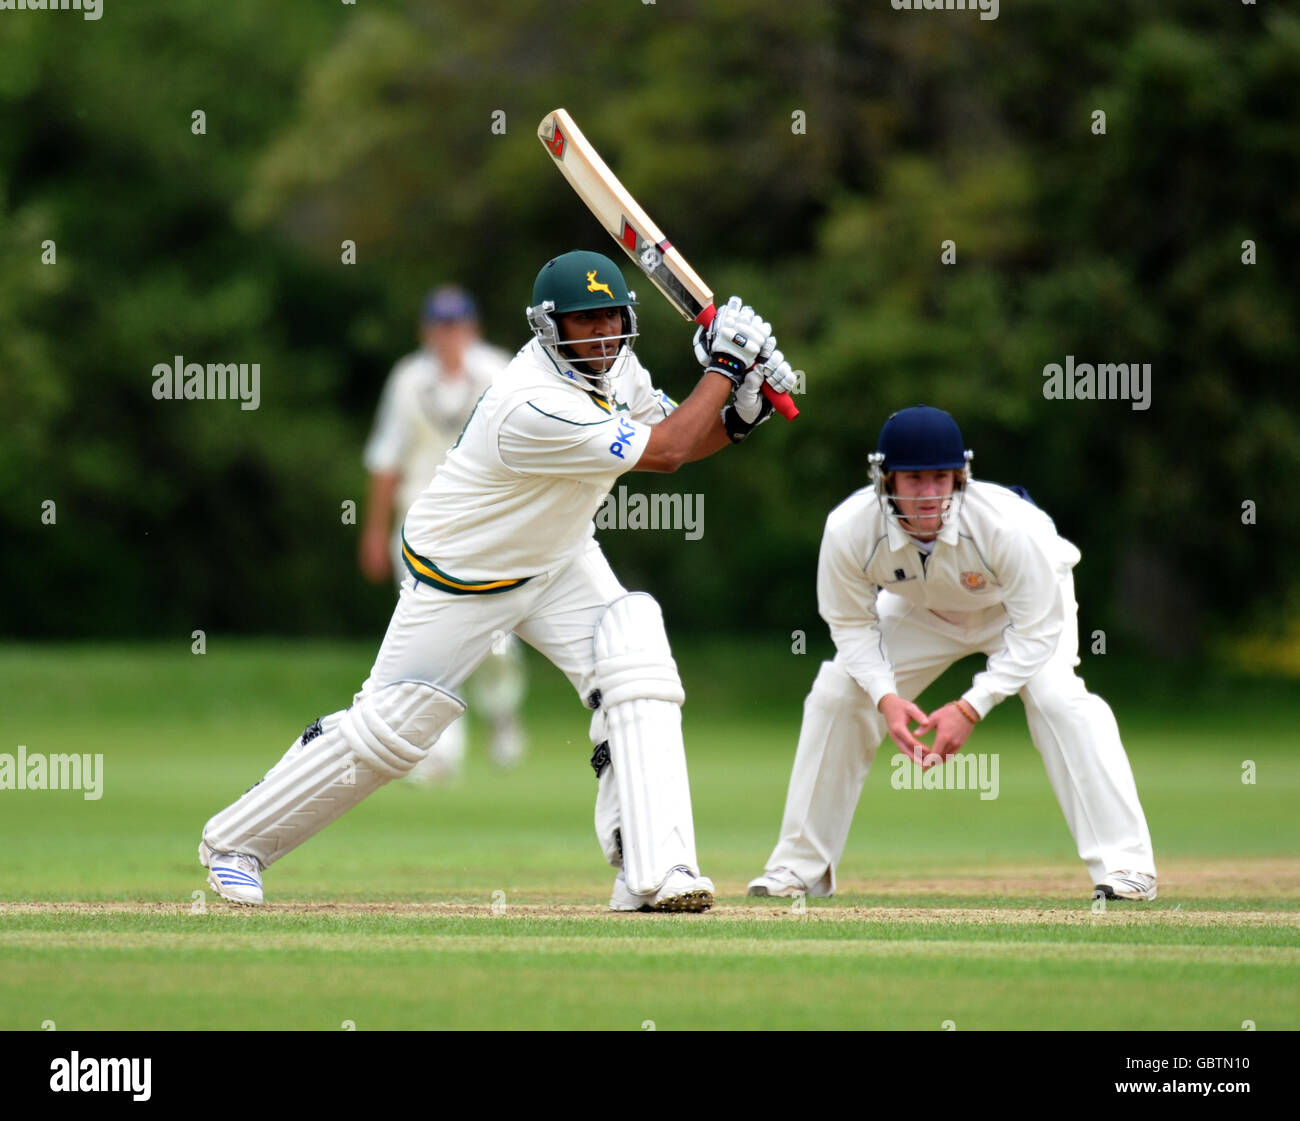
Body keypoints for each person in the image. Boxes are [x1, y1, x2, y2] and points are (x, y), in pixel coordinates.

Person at [200, 249, 796, 912]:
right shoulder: (529, 403)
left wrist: (741, 411)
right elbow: (667, 452)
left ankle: (657, 868)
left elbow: (676, 430)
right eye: (583, 322)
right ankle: (236, 843)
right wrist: (725, 367)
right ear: (550, 329)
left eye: (609, 318)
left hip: (561, 557)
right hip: (462, 577)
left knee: (636, 659)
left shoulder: (618, 363)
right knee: (393, 729)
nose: (600, 333)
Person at [748, 405, 1158, 903]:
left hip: (1019, 611)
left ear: (959, 476)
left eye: (939, 478)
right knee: (837, 694)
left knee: (1057, 700)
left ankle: (1127, 868)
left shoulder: (1007, 527)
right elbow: (851, 624)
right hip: (922, 608)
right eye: (913, 478)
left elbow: (1037, 631)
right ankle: (798, 870)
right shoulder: (849, 528)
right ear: (884, 478)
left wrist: (970, 707)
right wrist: (885, 698)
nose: (927, 494)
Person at [360, 285, 526, 779]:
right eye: (439, 325)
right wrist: (373, 531)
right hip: (420, 522)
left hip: (486, 523)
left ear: (471, 328)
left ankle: (502, 714)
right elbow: (386, 457)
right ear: (426, 331)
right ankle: (439, 749)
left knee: (496, 639)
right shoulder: (408, 378)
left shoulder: (498, 371)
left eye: (456, 325)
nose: (448, 335)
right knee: (426, 633)